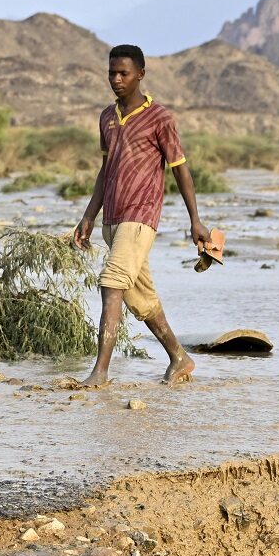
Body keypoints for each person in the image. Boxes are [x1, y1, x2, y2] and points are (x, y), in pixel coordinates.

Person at [73, 44, 213, 388]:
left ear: (140, 75)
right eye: (112, 73)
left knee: (111, 282)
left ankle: (100, 372)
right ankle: (179, 357)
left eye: (124, 73)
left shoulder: (160, 118)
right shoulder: (106, 117)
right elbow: (105, 170)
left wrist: (195, 220)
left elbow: (180, 169)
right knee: (140, 298)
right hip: (112, 219)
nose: (116, 79)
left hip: (141, 217)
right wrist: (89, 216)